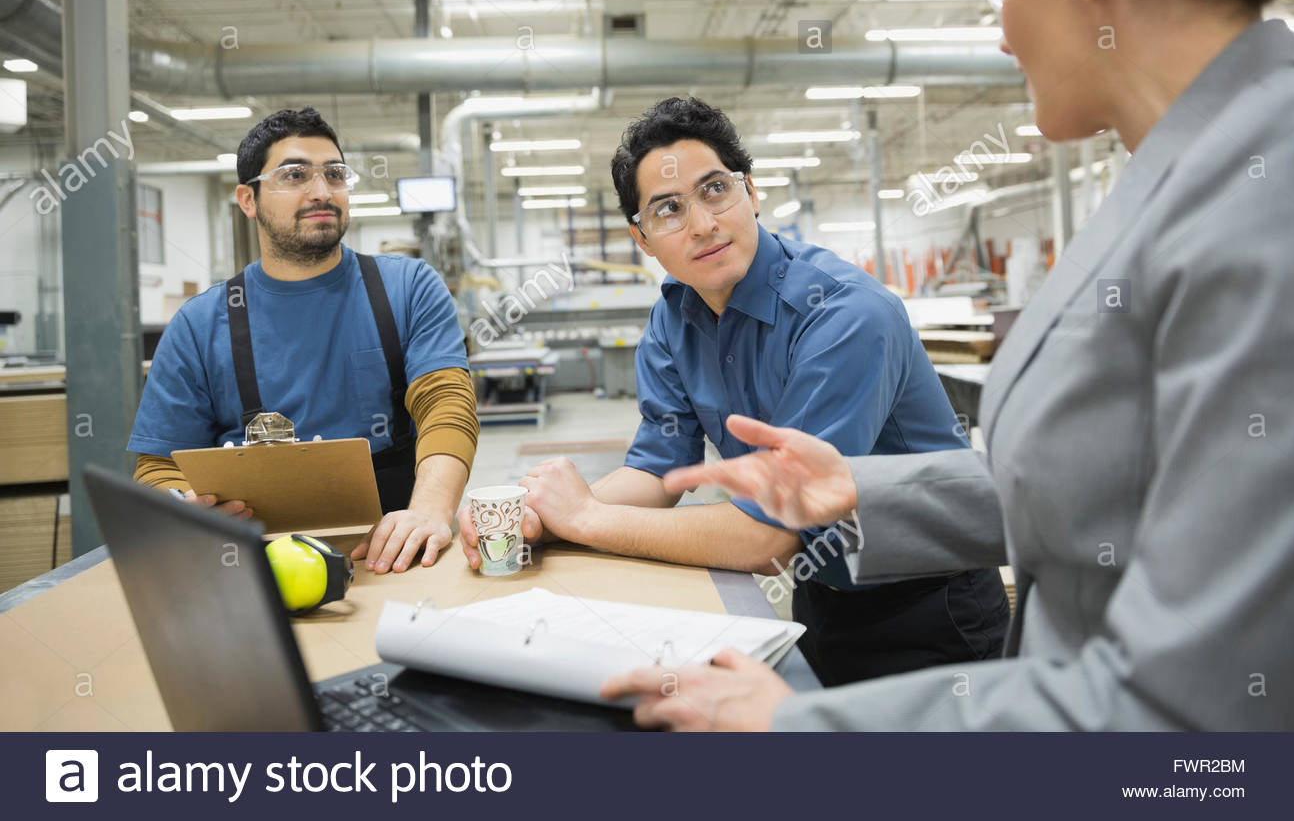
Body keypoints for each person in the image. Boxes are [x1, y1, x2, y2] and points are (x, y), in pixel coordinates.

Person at [600, 0, 1294, 730]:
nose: (1001, 32)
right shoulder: (1191, 172)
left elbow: (1198, 700)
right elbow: (1105, 484)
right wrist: (862, 492)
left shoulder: (1269, 196)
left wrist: (803, 729)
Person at [458, 97, 1009, 686]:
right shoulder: (674, 320)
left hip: (932, 608)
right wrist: (541, 514)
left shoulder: (846, 315)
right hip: (820, 595)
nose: (702, 223)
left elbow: (767, 535)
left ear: (751, 192)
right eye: (668, 209)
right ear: (642, 237)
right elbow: (656, 470)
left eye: (715, 190)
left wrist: (587, 519)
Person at [130, 107, 478, 575]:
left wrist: (431, 509)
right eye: (294, 175)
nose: (321, 191)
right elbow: (158, 466)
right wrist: (183, 509)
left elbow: (446, 404)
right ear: (248, 199)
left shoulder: (408, 287)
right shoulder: (200, 323)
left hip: (396, 549)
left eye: (335, 175)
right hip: (251, 560)